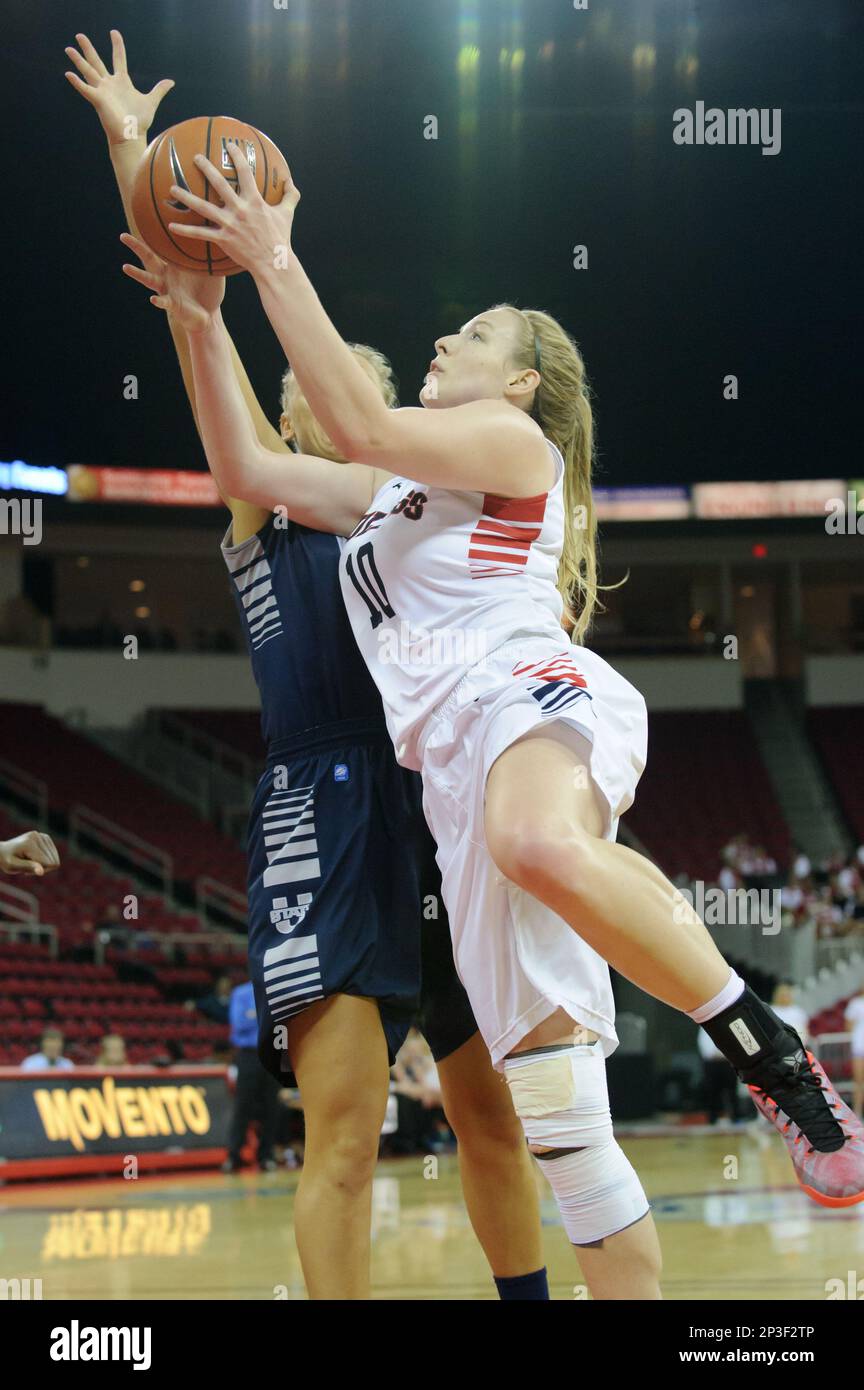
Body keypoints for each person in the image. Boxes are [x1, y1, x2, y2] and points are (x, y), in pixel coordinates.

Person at [136, 131, 864, 1219]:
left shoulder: (518, 443)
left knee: (538, 839)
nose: (444, 334)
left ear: (520, 380)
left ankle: (765, 1043)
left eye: (474, 332)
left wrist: (274, 255)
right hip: (450, 781)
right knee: (556, 1115)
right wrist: (197, 315)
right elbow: (245, 467)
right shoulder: (382, 493)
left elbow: (360, 419)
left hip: (525, 692)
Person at [70, 29, 566, 1301]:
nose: (307, 388)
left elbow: (353, 421)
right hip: (323, 803)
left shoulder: (382, 497)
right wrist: (138, 151)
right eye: (298, 380)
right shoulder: (266, 503)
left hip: (429, 790)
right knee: (340, 1131)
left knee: (492, 1116)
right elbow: (207, 329)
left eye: (338, 385)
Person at [224, 980, 281, 1173]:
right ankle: (234, 1156)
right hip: (248, 1055)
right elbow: (240, 1023)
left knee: (271, 1107)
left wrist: (255, 1016)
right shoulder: (241, 993)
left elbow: (282, 1023)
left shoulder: (276, 988)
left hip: (272, 1053)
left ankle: (266, 1156)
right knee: (243, 1106)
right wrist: (266, 1017)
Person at [697, 1028, 742, 1125]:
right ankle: (713, 1118)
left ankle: (736, 1117)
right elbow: (704, 1045)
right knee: (713, 1091)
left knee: (731, 1091)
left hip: (728, 1062)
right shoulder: (703, 1027)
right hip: (712, 1063)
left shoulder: (724, 1024)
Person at [845, 992, 864, 1118]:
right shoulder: (856, 1003)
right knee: (859, 1082)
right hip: (860, 1047)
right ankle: (857, 1113)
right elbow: (848, 1026)